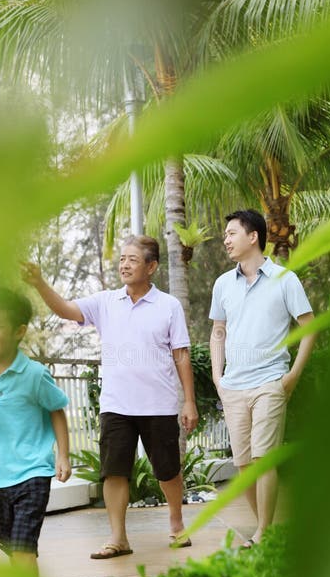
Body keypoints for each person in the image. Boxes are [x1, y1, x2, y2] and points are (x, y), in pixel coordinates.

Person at [22, 234, 199, 559]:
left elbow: (181, 354)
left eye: (133, 259)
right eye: (122, 259)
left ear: (152, 266)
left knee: (167, 470)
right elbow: (66, 310)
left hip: (158, 405)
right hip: (116, 405)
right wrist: (40, 283)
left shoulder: (168, 306)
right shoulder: (105, 302)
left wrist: (189, 400)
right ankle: (118, 537)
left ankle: (176, 522)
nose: (124, 264)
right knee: (114, 471)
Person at [209, 210, 315, 548]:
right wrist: (217, 377)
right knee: (243, 464)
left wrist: (293, 374)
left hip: (270, 382)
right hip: (234, 386)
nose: (225, 240)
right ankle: (264, 527)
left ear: (253, 236)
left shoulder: (285, 279)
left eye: (231, 233)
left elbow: (309, 326)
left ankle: (264, 532)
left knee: (262, 458)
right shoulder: (223, 283)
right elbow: (218, 331)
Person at [0, 287, 71, 574]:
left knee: (21, 547)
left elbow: (56, 410)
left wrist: (63, 456)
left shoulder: (34, 374)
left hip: (33, 471)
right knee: (12, 546)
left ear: (19, 331)